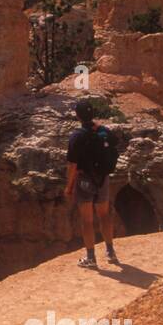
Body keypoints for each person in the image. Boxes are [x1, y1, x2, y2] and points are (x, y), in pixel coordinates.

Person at [64, 98, 119, 269]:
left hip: (85, 180)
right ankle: (110, 251)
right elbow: (114, 146)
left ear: (77, 116)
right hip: (103, 178)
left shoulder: (77, 136)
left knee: (87, 220)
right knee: (104, 214)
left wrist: (69, 186)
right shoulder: (104, 132)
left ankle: (91, 258)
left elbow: (72, 165)